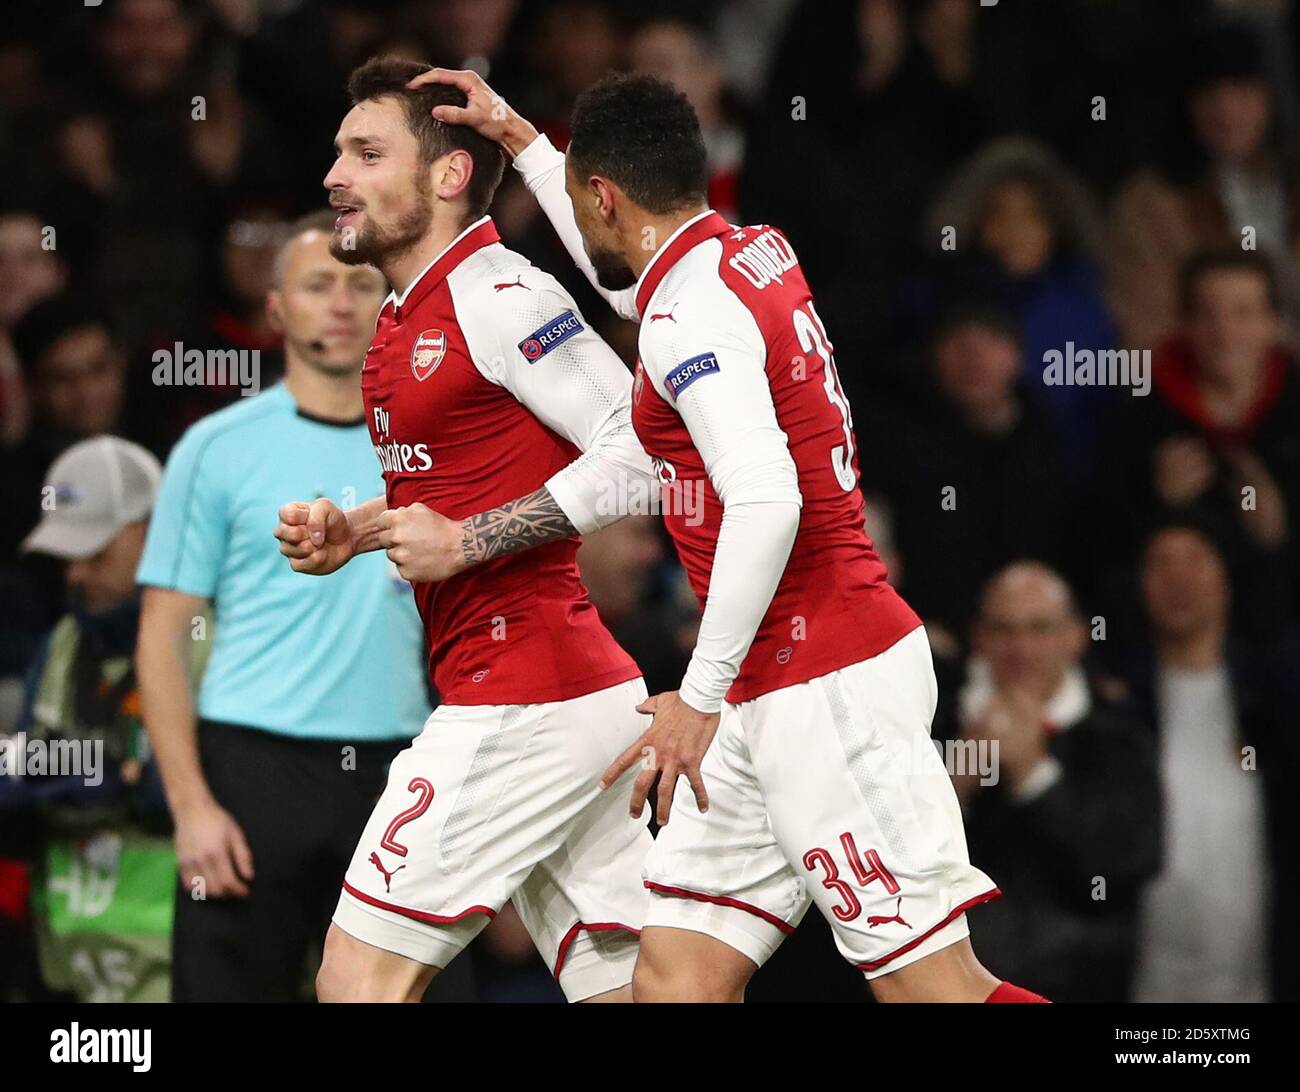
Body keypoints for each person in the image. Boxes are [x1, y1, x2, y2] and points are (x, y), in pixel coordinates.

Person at [404, 66, 1046, 1003]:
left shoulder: (683, 313)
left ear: (604, 196)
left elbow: (766, 500)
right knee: (673, 979)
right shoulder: (745, 255)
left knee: (932, 991)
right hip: (766, 687)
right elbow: (633, 290)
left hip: (826, 680)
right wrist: (521, 139)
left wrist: (697, 699)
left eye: (581, 197)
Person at [276, 58, 658, 1004]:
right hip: (576, 702)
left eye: (367, 153)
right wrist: (356, 532)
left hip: (521, 697)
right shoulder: (409, 314)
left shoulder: (500, 296)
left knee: (356, 978)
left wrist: (471, 542)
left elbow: (642, 452)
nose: (336, 176)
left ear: (448, 176)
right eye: (337, 153)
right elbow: (461, 486)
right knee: (633, 994)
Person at [133, 210, 434, 1003]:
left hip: (400, 772)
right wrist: (192, 807)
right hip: (249, 771)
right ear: (275, 311)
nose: (341, 301)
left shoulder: (430, 446)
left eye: (362, 282)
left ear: (392, 301)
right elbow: (162, 633)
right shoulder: (215, 445)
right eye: (317, 284)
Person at [2, 436, 177, 1002]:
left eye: (95, 551)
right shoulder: (62, 645)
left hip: (182, 970)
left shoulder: (209, 638)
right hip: (74, 976)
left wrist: (125, 780)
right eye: (66, 555)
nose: (75, 573)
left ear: (150, 532)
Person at [939, 562, 1161, 1002]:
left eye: (1039, 629)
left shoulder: (1120, 739)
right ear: (978, 639)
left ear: (1077, 635)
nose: (1020, 648)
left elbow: (1119, 868)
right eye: (1002, 630)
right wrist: (952, 792)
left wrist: (1034, 776)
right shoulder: (936, 729)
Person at [1123, 520, 1300, 1001]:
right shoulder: (1119, 706)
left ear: (1226, 575)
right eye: (1161, 563)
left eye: (1195, 560)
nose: (1178, 579)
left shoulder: (1276, 699)